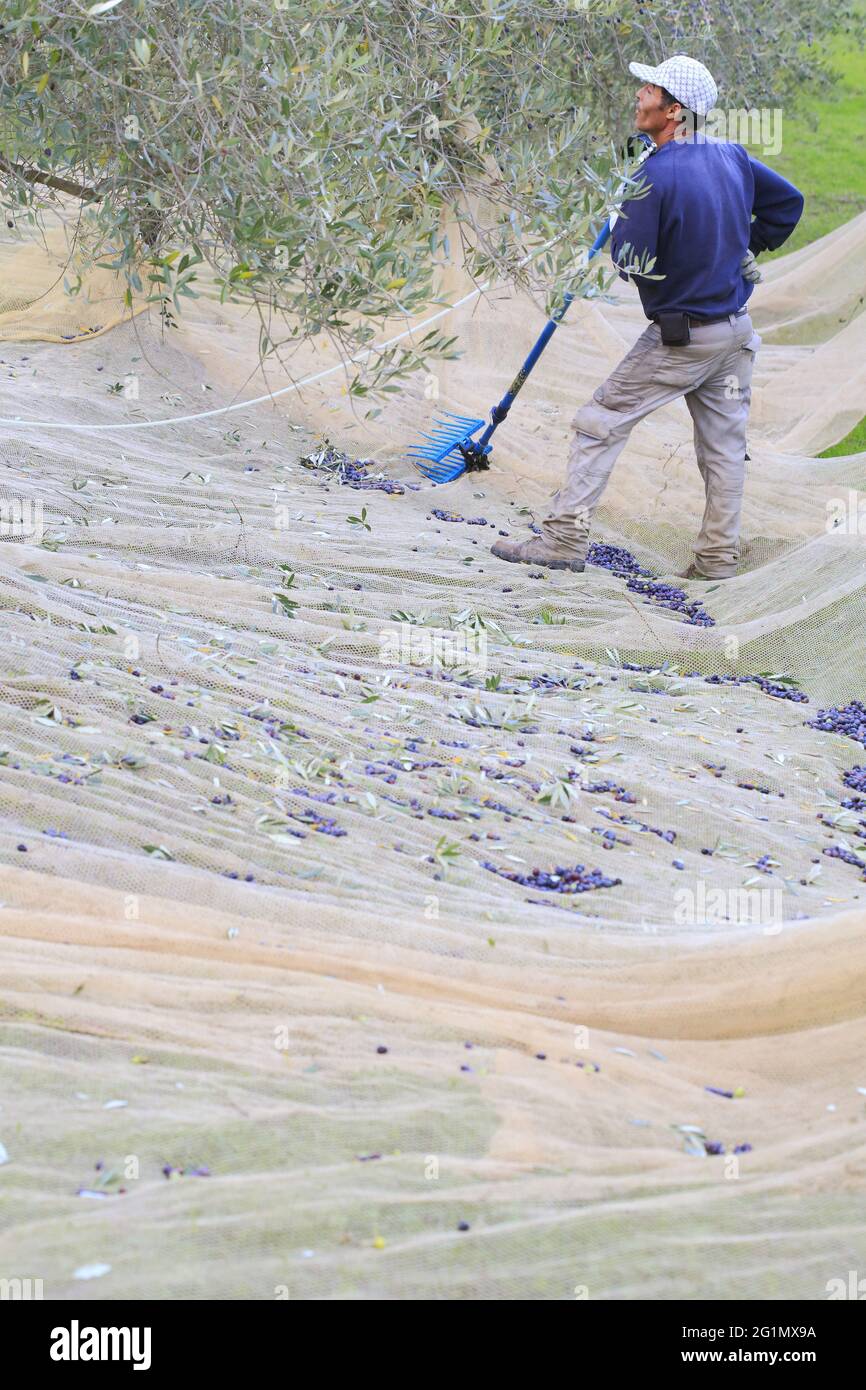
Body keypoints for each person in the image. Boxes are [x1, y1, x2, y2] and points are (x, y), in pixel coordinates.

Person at [491, 54, 804, 580]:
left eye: (650, 90)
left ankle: (563, 539)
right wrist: (741, 246)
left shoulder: (653, 176)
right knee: (725, 451)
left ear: (674, 110)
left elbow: (631, 262)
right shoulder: (729, 154)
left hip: (681, 340)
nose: (639, 96)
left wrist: (624, 214)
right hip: (735, 335)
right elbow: (787, 204)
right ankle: (716, 561)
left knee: (599, 422)